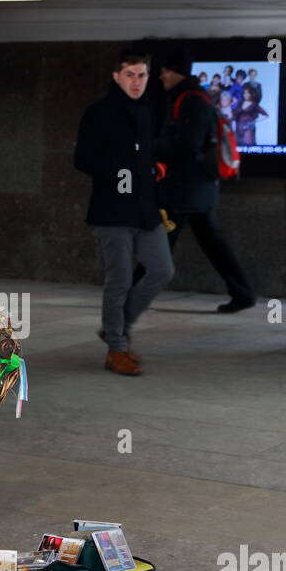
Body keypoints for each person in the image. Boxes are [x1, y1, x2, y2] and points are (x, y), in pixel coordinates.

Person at [74, 48, 174, 375]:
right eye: (130, 74)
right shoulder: (98, 112)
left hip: (145, 209)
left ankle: (116, 327)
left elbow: (145, 154)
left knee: (161, 269)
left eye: (142, 75)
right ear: (116, 76)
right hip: (112, 210)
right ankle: (116, 349)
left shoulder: (147, 110)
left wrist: (152, 169)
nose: (136, 81)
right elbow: (83, 159)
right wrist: (121, 174)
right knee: (119, 280)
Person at [155, 47, 256, 313]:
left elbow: (188, 143)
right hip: (196, 187)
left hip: (186, 189)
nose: (161, 76)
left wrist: (151, 147)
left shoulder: (191, 100)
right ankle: (243, 293)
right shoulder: (189, 97)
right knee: (212, 242)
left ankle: (128, 298)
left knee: (160, 244)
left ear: (178, 72)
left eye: (166, 70)